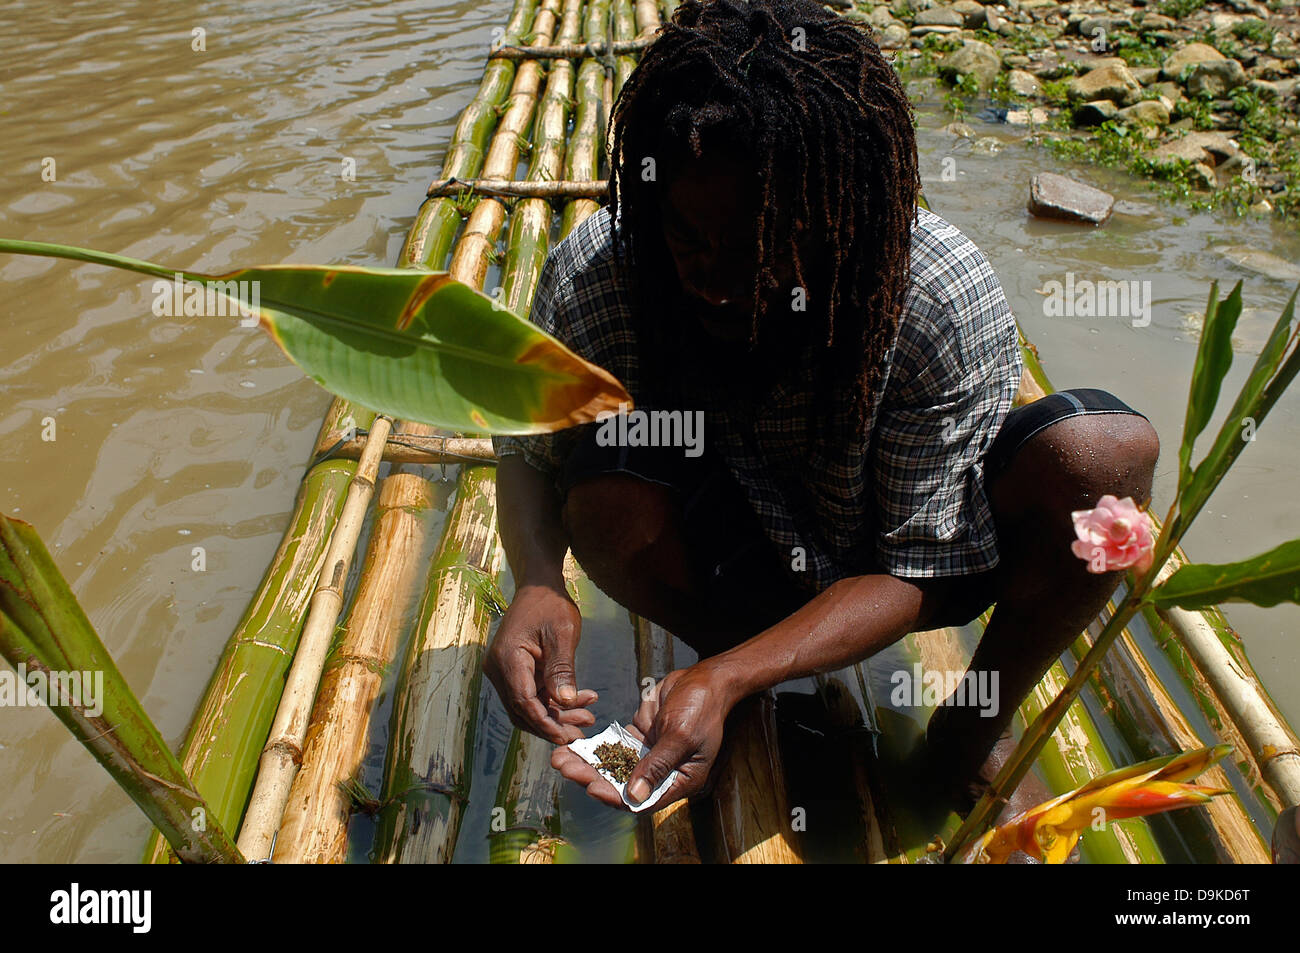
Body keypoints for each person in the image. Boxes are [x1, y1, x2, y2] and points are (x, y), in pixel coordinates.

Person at [484, 0, 1159, 818]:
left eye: (757, 249)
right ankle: (732, 662)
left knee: (1101, 456)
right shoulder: (605, 272)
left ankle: (965, 735)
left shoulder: (935, 297)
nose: (714, 279)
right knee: (602, 488)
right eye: (688, 239)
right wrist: (535, 579)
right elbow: (528, 445)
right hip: (729, 552)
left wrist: (727, 678)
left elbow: (915, 567)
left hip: (902, 562)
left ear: (842, 221)